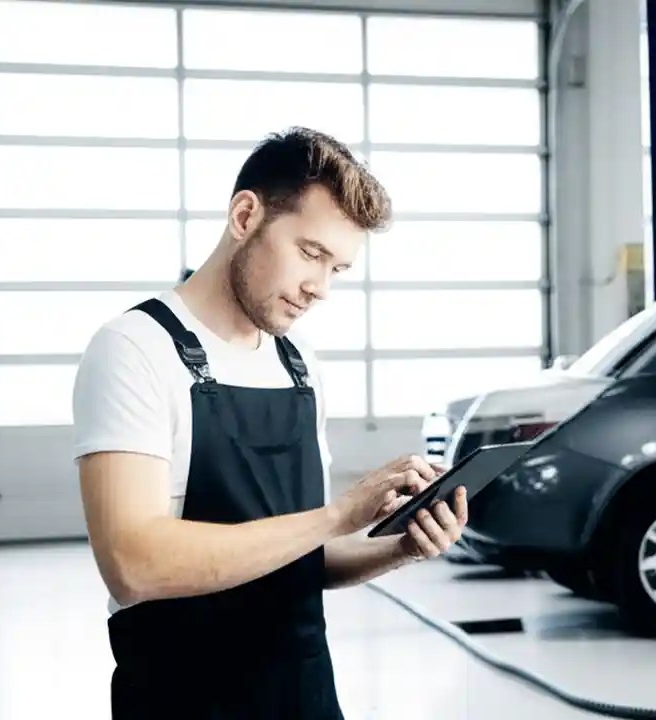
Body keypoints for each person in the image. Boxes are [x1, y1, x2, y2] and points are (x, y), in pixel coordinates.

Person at [72, 126, 467, 720]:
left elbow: (305, 555)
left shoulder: (299, 364)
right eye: (310, 253)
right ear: (245, 215)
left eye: (337, 268)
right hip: (183, 701)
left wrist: (400, 547)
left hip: (304, 696)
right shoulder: (134, 349)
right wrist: (340, 514)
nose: (320, 288)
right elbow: (133, 564)